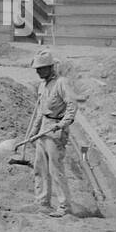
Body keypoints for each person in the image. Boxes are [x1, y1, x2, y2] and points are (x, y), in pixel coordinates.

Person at [29, 49, 78, 217]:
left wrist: (63, 123)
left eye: (41, 69)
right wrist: (34, 130)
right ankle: (43, 202)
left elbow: (72, 105)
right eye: (37, 69)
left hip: (56, 127)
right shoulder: (42, 85)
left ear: (50, 67)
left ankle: (64, 206)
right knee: (40, 167)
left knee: (55, 169)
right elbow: (40, 110)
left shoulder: (62, 83)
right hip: (45, 125)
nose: (38, 72)